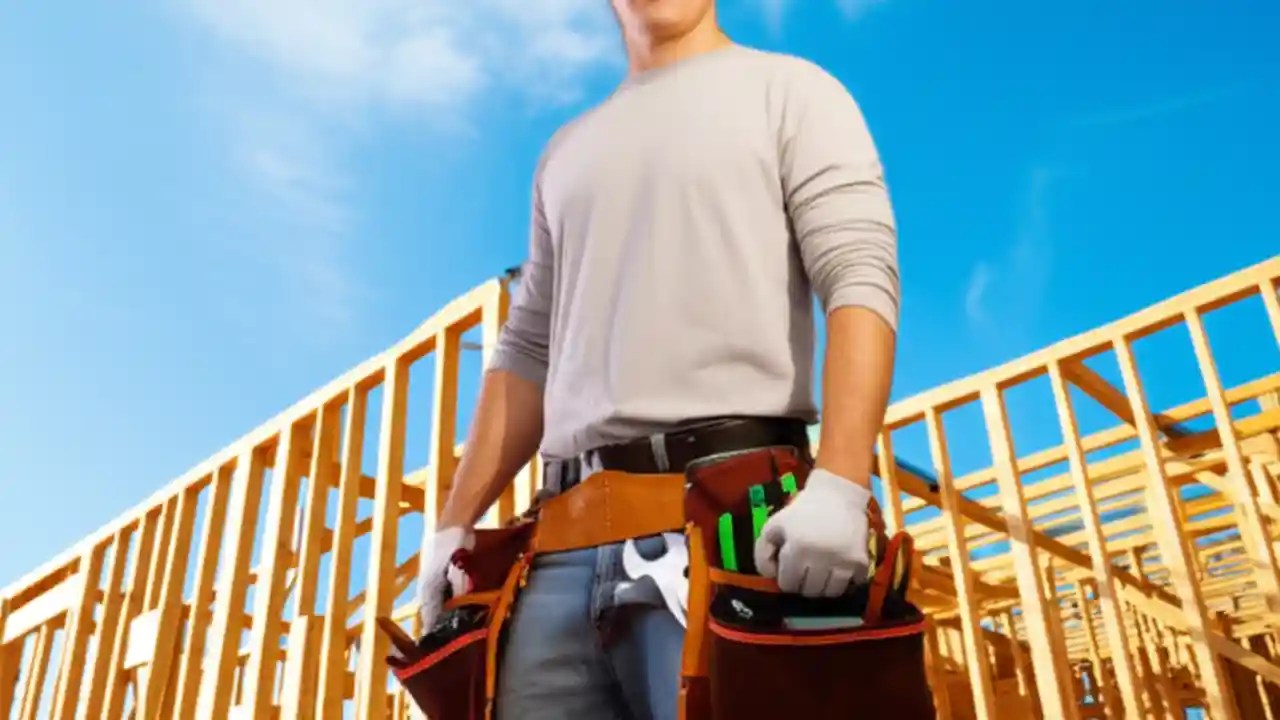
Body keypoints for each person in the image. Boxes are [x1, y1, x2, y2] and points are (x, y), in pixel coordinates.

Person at [416, 0, 899, 717]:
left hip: (732, 532)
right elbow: (528, 347)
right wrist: (453, 524)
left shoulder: (791, 90)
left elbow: (858, 275)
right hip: (557, 552)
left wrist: (840, 483)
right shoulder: (564, 153)